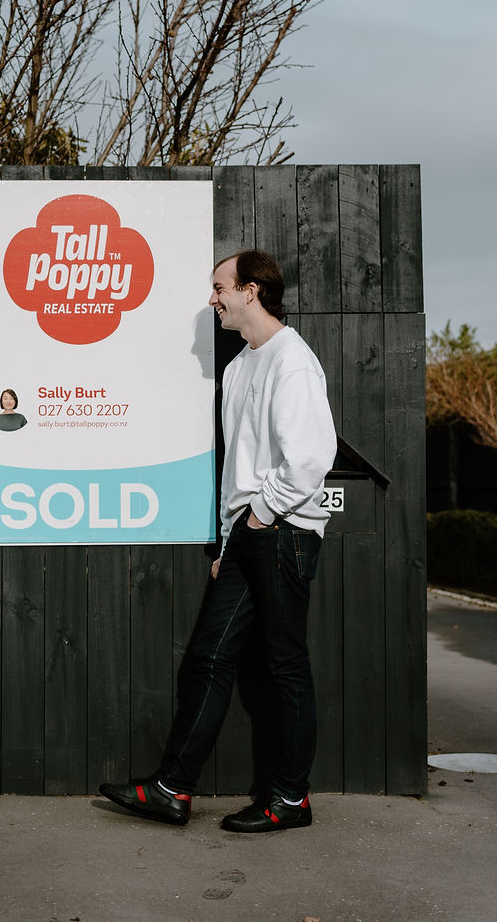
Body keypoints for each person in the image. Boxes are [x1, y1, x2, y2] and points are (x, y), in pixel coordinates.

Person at [100, 249, 336, 832]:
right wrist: (234, 537)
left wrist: (260, 516)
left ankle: (291, 798)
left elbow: (310, 458)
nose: (213, 298)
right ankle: (172, 789)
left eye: (219, 287)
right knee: (209, 658)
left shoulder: (292, 361)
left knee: (284, 668)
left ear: (251, 291)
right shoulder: (239, 368)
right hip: (248, 537)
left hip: (283, 533)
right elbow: (241, 466)